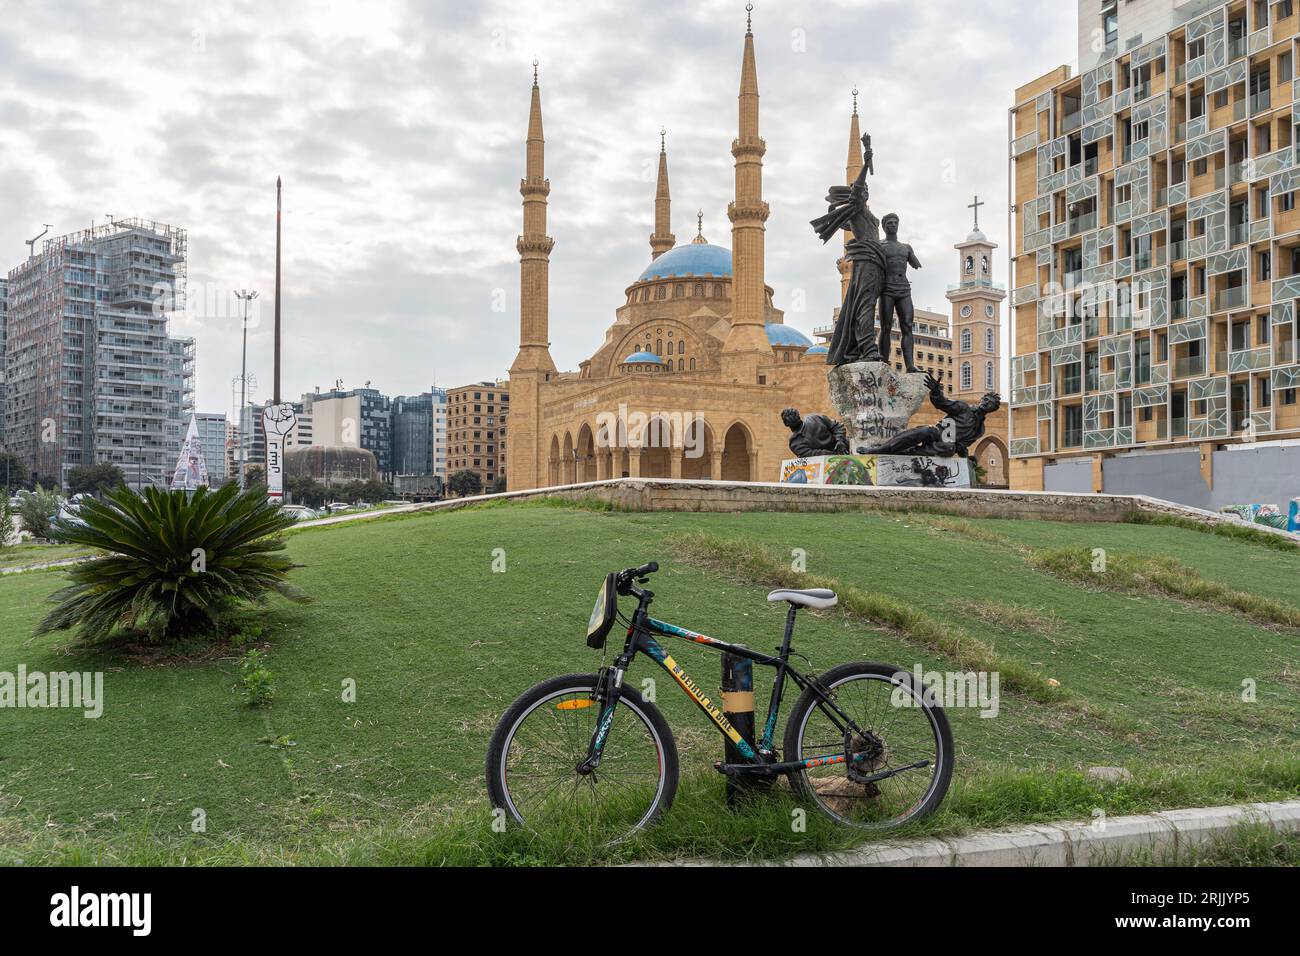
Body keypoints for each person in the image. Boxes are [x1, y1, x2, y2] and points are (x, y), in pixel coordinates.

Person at [812, 133, 886, 366]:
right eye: (861, 189)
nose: (864, 191)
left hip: (875, 261)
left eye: (865, 190)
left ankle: (860, 347)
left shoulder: (863, 212)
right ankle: (868, 347)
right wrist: (866, 163)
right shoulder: (857, 207)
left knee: (865, 304)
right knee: (865, 305)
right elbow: (858, 188)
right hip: (867, 261)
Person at [861, 374, 1001, 458]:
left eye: (990, 404)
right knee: (925, 430)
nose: (986, 403)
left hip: (946, 444)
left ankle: (907, 455)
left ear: (992, 410)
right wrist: (935, 392)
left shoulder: (979, 430)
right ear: (982, 400)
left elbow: (961, 445)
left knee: (948, 447)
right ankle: (879, 450)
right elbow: (943, 403)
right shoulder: (963, 408)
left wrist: (966, 458)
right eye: (986, 400)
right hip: (937, 432)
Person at [877, 213, 922, 372]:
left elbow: (916, 264)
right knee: (886, 327)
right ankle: (883, 362)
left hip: (904, 289)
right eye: (889, 223)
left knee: (907, 326)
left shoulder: (906, 247)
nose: (893, 225)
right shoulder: (879, 245)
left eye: (895, 222)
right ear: (884, 226)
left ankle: (910, 365)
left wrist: (913, 258)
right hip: (887, 289)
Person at [781, 408, 849, 458]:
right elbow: (838, 427)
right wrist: (840, 441)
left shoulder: (795, 443)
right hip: (843, 454)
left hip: (839, 456)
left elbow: (815, 456)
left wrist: (840, 441)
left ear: (786, 424)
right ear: (799, 416)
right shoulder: (813, 417)